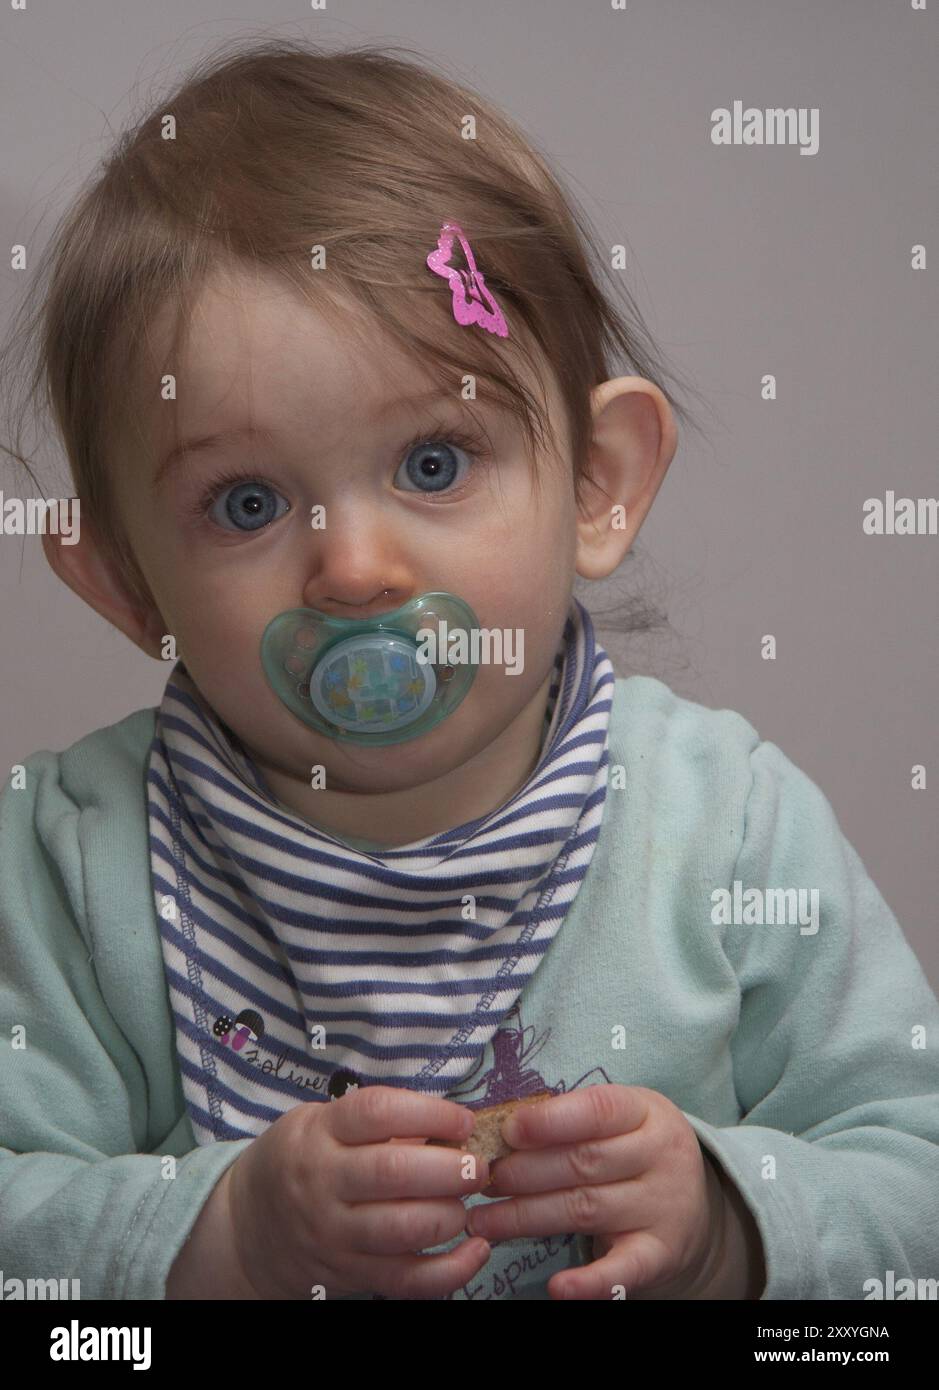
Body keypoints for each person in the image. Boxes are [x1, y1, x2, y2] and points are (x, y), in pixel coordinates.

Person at [1, 39, 936, 1303]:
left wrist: (731, 1223)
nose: (357, 569)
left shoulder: (732, 834)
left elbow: (913, 1183)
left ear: (598, 485)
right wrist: (218, 1242)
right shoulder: (65, 867)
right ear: (125, 582)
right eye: (248, 500)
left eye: (434, 463)